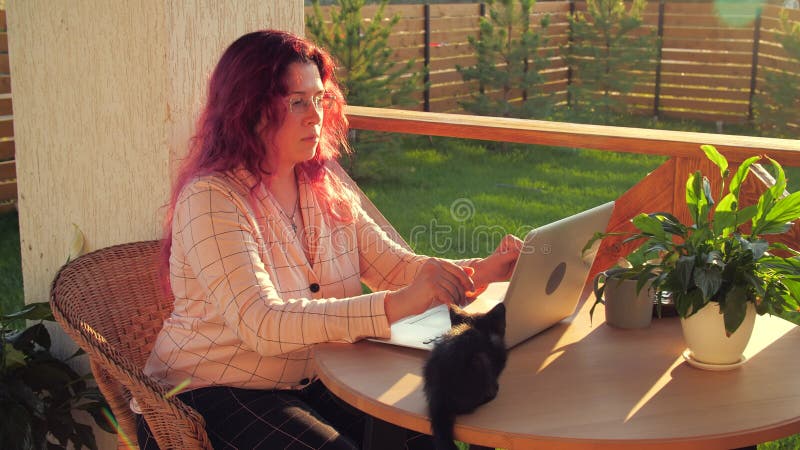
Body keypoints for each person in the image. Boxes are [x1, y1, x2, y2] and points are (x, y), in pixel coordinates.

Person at [138, 29, 522, 450]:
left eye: (319, 99)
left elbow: (392, 266)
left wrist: (484, 271)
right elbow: (262, 324)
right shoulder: (212, 198)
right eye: (296, 101)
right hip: (207, 389)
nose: (315, 115)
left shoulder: (323, 182)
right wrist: (396, 305)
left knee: (420, 436)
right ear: (248, 109)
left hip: (311, 379)